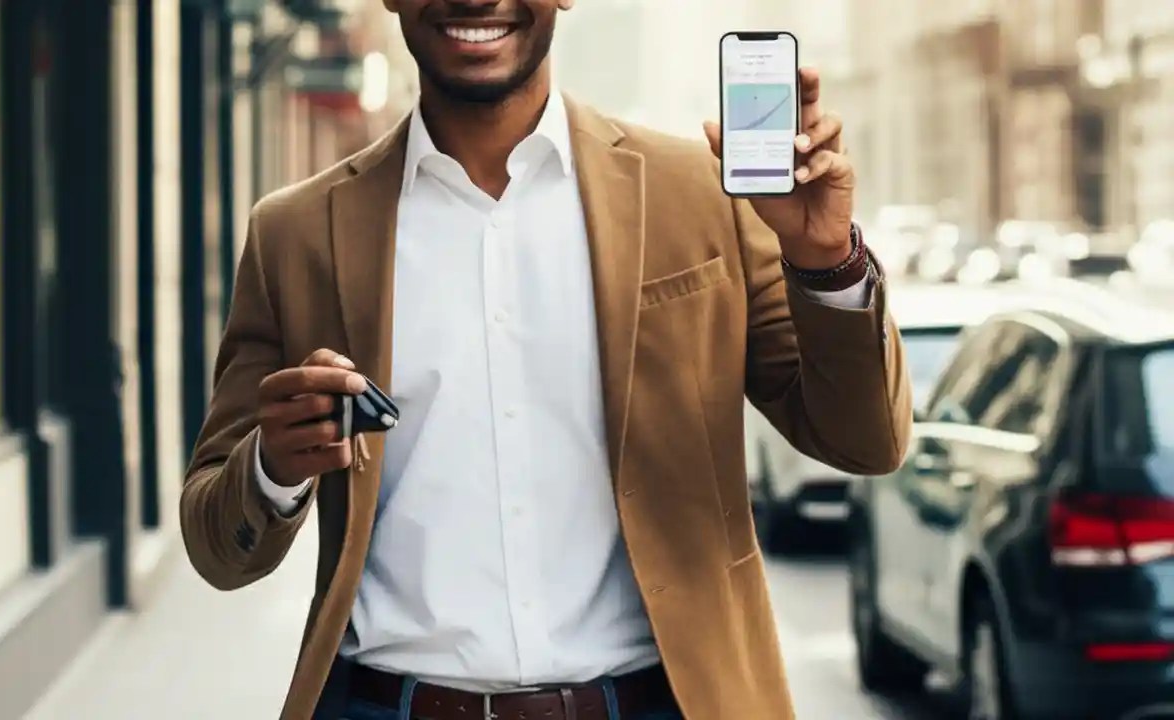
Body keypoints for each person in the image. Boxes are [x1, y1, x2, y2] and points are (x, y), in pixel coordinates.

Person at [179, 1, 912, 718]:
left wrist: (826, 262)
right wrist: (275, 465)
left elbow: (865, 441)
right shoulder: (296, 233)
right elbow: (218, 547)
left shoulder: (703, 196)